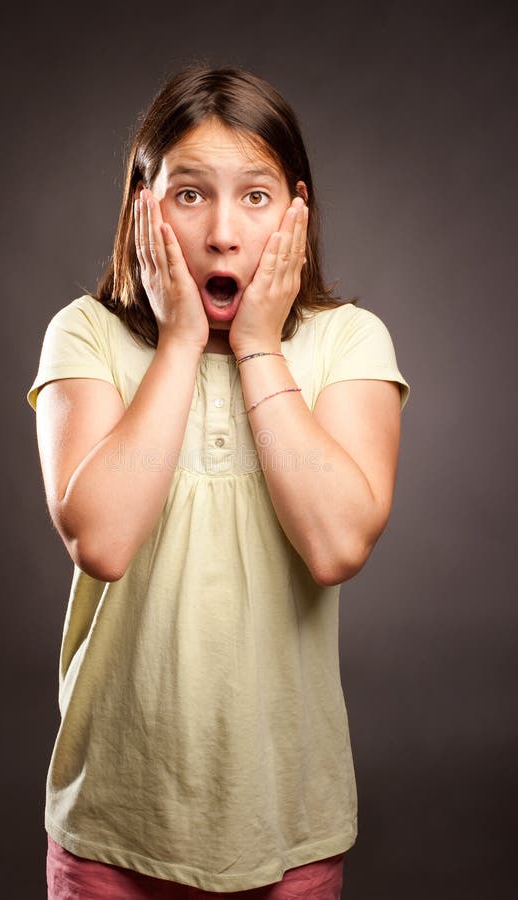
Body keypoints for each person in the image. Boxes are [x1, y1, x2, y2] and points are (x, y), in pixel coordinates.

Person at [26, 65, 410, 900]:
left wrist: (261, 348)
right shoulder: (83, 336)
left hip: (288, 831)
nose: (224, 234)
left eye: (257, 197)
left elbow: (338, 542)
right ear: (143, 204)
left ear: (298, 212)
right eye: (190, 194)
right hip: (111, 832)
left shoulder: (348, 343)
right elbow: (104, 538)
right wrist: (174, 346)